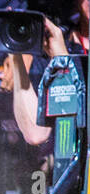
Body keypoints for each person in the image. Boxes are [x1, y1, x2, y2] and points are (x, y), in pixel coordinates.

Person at [12, 4, 89, 145]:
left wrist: (63, 60)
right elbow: (36, 133)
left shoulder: (60, 50)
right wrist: (15, 53)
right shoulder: (55, 44)